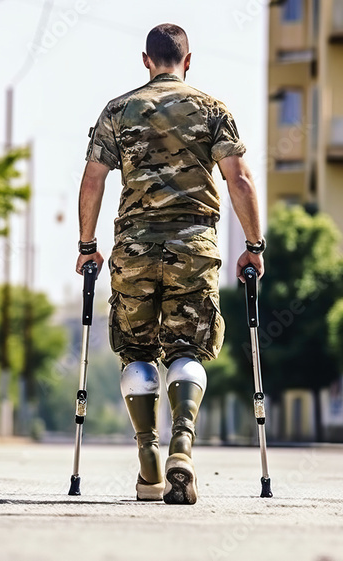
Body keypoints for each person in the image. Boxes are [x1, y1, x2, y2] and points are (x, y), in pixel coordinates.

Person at [75, 23, 264, 505]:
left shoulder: (118, 110)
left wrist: (87, 244)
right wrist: (254, 246)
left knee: (136, 352)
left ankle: (149, 462)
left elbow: (93, 179)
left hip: (133, 249)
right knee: (189, 350)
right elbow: (239, 179)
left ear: (146, 60)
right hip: (194, 249)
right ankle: (183, 442)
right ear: (188, 59)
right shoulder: (212, 109)